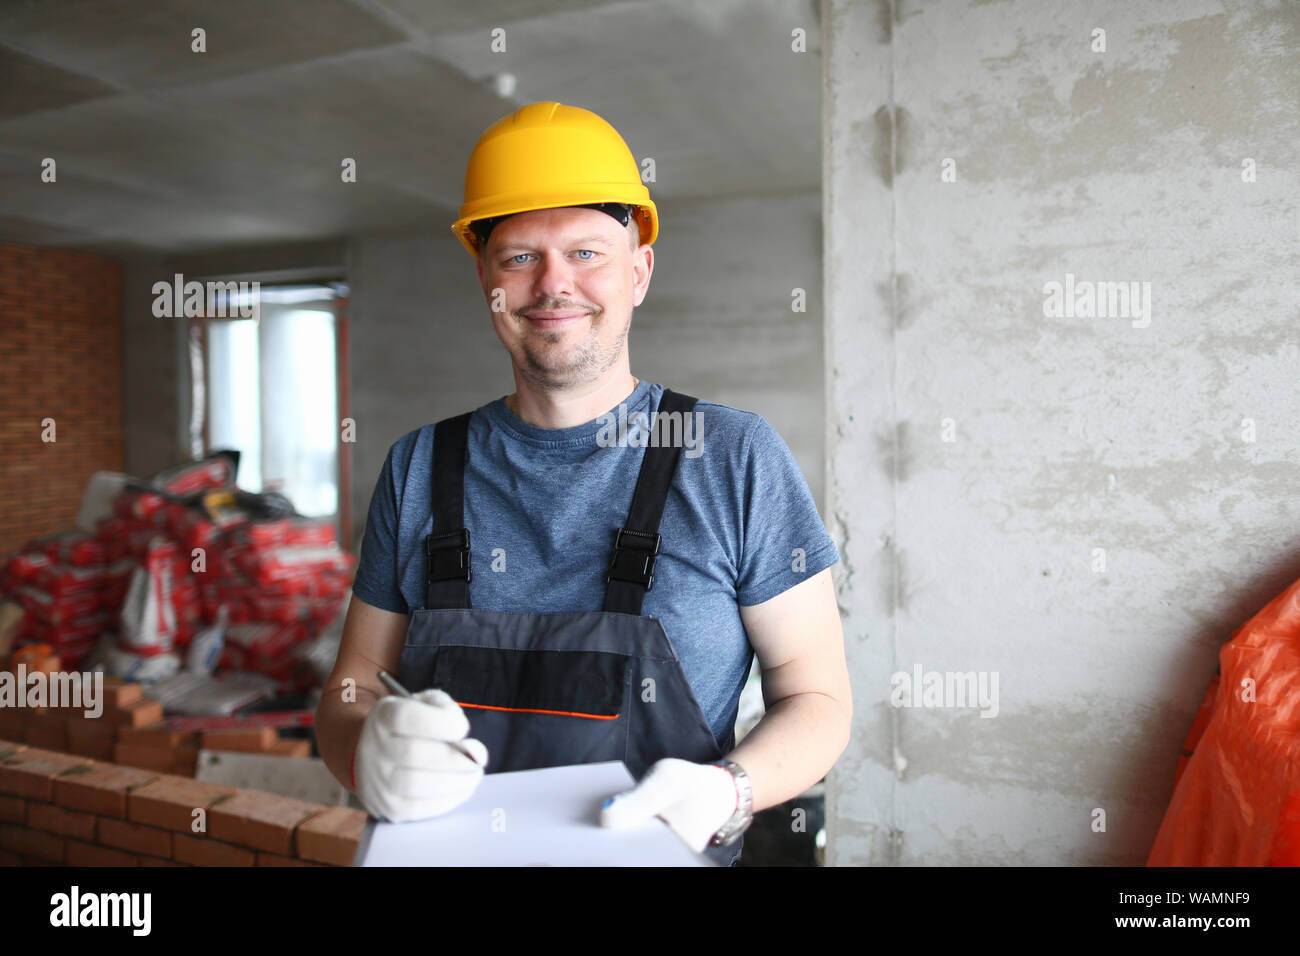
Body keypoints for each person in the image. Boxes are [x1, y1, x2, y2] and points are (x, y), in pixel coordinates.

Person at [316, 101, 851, 866]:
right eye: (519, 257)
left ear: (639, 270)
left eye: (587, 253)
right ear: (486, 280)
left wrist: (729, 790)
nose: (553, 285)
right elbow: (350, 688)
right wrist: (361, 751)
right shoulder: (418, 466)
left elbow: (818, 698)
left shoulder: (733, 457)